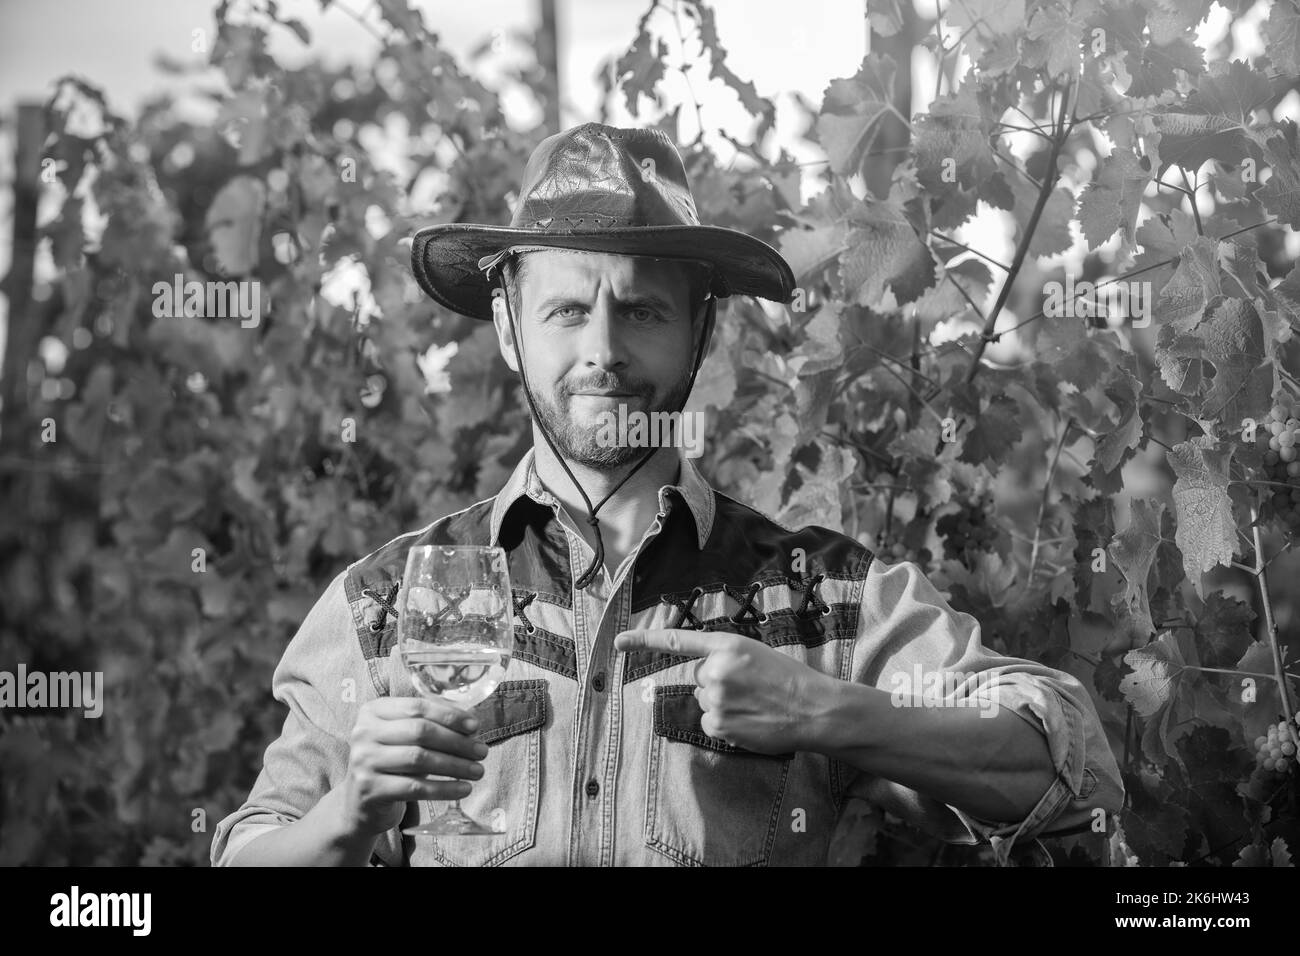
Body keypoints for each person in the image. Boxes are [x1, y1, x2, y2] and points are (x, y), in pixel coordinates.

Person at [211, 123, 1122, 867]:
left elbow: (1069, 764)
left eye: (642, 309)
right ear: (509, 328)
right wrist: (347, 814)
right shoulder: (387, 601)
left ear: (699, 328)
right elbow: (249, 850)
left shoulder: (830, 604)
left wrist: (827, 713)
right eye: (567, 311)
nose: (603, 351)